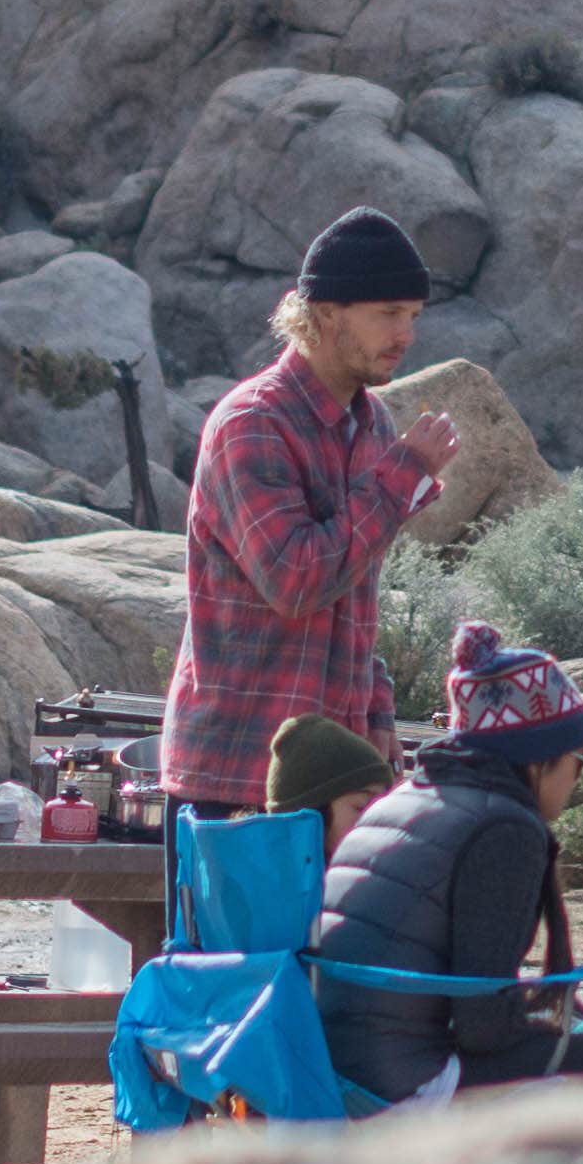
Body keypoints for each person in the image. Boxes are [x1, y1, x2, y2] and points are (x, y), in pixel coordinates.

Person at [163, 208, 462, 817]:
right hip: (240, 778)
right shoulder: (253, 422)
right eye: (387, 315)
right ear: (325, 313)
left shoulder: (372, 421)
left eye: (413, 316)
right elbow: (296, 580)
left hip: (334, 776)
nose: (406, 334)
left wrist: (376, 711)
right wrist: (403, 476)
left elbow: (353, 594)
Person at [311, 623, 583, 1102]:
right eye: (580, 758)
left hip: (336, 1065)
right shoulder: (504, 829)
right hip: (402, 1082)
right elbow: (483, 1027)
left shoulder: (406, 797)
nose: (578, 775)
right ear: (540, 758)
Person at [267, 714, 397, 857]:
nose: (376, 821)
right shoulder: (251, 876)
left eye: (381, 809)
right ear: (312, 813)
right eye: (361, 807)